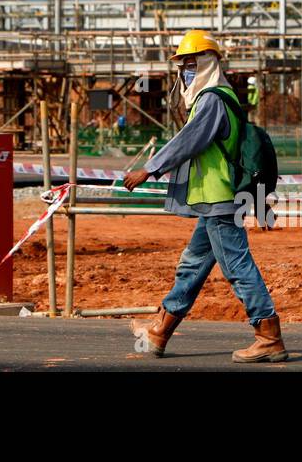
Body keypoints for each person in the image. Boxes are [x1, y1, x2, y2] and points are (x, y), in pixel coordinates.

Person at [123, 29, 287, 362]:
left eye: (189, 63)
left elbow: (189, 140)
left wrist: (150, 169)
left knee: (238, 266)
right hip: (212, 200)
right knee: (193, 265)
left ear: (206, 62)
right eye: (182, 64)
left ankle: (268, 335)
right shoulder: (211, 97)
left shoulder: (212, 98)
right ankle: (159, 332)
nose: (184, 70)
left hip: (220, 199)